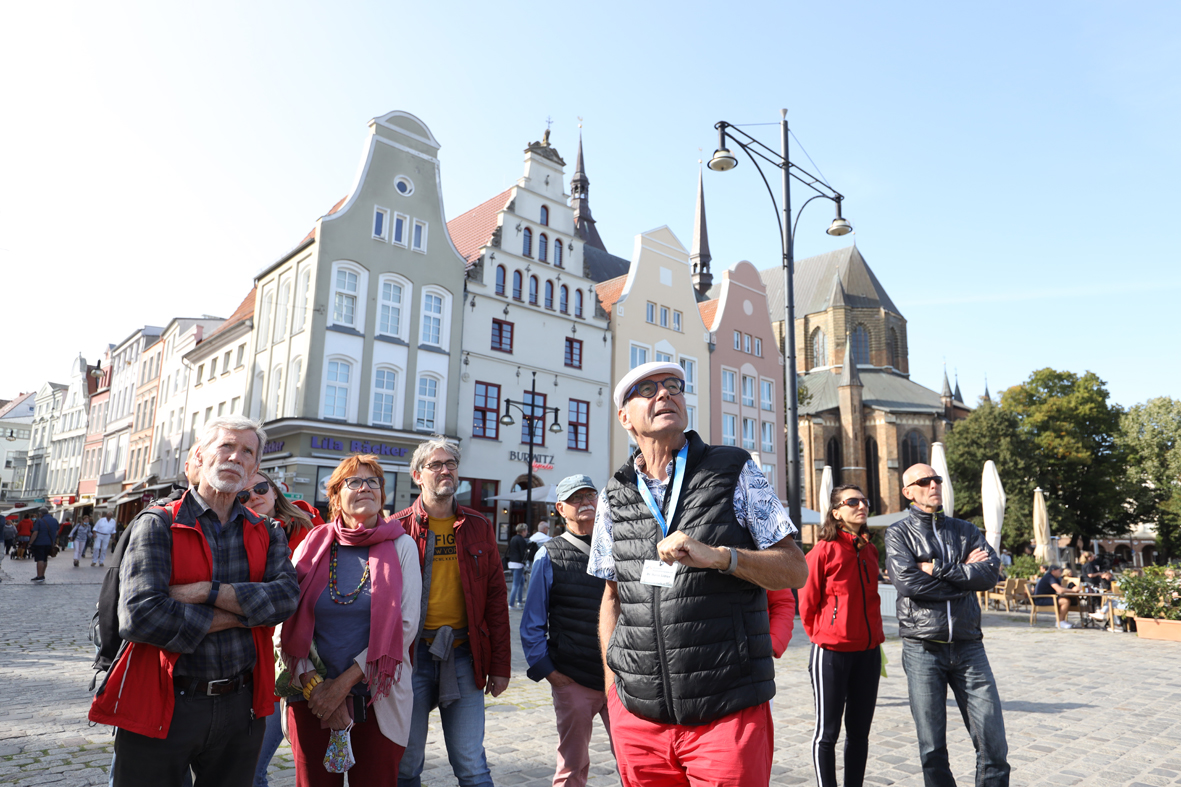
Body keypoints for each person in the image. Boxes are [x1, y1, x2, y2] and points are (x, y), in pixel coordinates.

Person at [590, 361, 808, 787]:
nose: (664, 393)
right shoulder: (614, 494)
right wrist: (613, 687)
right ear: (624, 417)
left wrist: (722, 557)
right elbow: (612, 596)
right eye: (647, 390)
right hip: (638, 718)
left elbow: (795, 568)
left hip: (726, 710)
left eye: (673, 385)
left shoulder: (733, 469)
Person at [89, 415, 299, 787]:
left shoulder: (267, 531)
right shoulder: (158, 523)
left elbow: (285, 600)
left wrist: (205, 592)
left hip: (241, 705)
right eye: (226, 446)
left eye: (246, 451)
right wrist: (247, 613)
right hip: (165, 698)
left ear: (254, 469)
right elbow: (141, 616)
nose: (235, 456)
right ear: (200, 456)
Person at [280, 455, 421, 787]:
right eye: (354, 481)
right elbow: (285, 620)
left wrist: (341, 687)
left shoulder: (402, 546)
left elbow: (405, 626)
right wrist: (318, 689)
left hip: (378, 700)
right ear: (335, 495)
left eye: (373, 482)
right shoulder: (312, 544)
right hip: (311, 699)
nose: (365, 488)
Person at [396, 437, 511, 787]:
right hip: (412, 658)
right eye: (436, 465)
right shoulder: (397, 528)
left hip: (464, 655)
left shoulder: (478, 525)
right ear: (418, 475)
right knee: (405, 764)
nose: (445, 470)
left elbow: (496, 599)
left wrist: (500, 666)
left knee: (471, 764)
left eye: (451, 464)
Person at [884, 463, 1009, 787]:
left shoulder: (965, 530)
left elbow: (988, 575)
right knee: (932, 748)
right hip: (923, 648)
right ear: (908, 492)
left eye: (937, 479)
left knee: (994, 745)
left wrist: (937, 568)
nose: (933, 485)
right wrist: (963, 577)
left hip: (969, 646)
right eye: (924, 481)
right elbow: (909, 584)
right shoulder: (898, 533)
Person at [521, 474, 613, 787]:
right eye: (576, 498)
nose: (585, 502)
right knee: (572, 766)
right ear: (561, 508)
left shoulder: (617, 548)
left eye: (590, 496)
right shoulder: (549, 555)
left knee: (636, 761)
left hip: (620, 678)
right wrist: (550, 672)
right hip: (574, 677)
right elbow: (532, 623)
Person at [800, 484, 885, 787]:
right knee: (827, 733)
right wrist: (825, 635)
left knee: (860, 733)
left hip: (868, 652)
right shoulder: (823, 551)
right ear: (836, 512)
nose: (862, 506)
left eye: (865, 501)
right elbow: (807, 602)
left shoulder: (870, 550)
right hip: (831, 653)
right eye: (852, 502)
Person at [247, 470, 317, 787]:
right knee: (244, 769)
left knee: (254, 767)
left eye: (261, 488)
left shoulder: (310, 531)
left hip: (295, 662)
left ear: (275, 491)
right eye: (243, 495)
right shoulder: (236, 536)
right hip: (250, 661)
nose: (254, 497)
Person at [1034, 564, 1083, 629]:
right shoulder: (1049, 577)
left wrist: (1071, 589)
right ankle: (1060, 622)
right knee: (1065, 601)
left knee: (1066, 599)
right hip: (1041, 599)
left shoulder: (1055, 578)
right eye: (1059, 571)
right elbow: (1060, 590)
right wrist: (1073, 590)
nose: (1061, 573)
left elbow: (1062, 588)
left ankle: (1062, 620)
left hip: (1048, 597)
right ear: (1053, 571)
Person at [30, 507, 59, 582]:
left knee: (40, 559)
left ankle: (39, 576)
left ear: (40, 514)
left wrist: (30, 543)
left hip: (39, 543)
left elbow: (35, 533)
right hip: (50, 543)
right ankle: (42, 575)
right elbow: (57, 532)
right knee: (45, 559)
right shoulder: (55, 520)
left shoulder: (40, 521)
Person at [506, 524, 530, 609]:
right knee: (516, 584)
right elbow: (523, 553)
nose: (527, 532)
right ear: (523, 531)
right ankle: (511, 604)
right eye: (526, 530)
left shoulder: (513, 538)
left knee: (521, 582)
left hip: (511, 563)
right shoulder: (521, 540)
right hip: (518, 564)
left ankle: (519, 601)